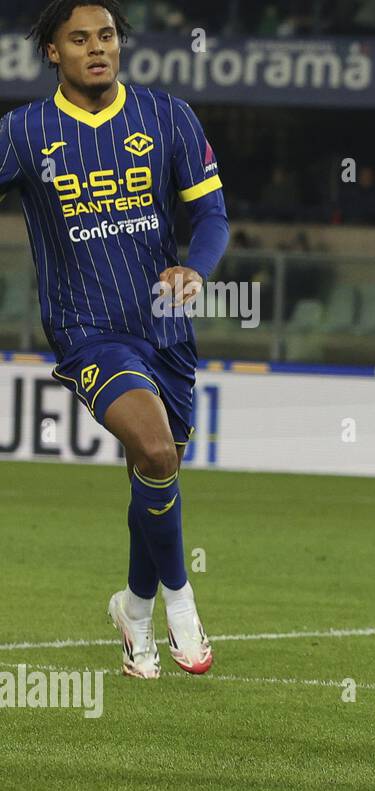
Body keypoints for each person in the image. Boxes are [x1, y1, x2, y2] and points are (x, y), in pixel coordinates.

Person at [0, 0, 229, 677]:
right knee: (156, 450)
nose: (97, 48)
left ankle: (132, 608)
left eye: (106, 36)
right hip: (89, 330)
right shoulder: (22, 133)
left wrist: (197, 267)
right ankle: (181, 606)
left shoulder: (166, 116)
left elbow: (211, 211)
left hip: (167, 329)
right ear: (53, 52)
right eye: (79, 39)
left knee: (152, 473)